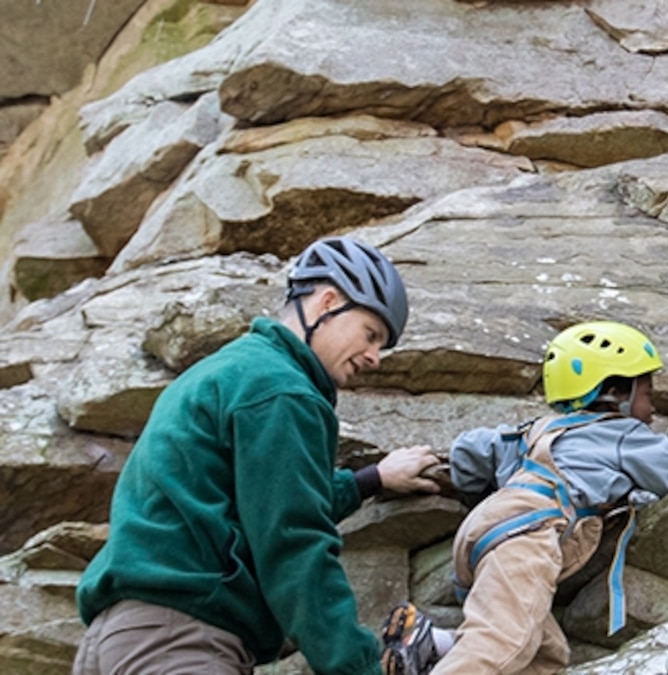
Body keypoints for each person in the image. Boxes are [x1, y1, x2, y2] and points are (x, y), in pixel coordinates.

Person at [73, 236, 443, 675]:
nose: (374, 357)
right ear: (328, 303)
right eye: (371, 334)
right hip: (181, 644)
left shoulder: (230, 370)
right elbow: (294, 542)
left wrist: (371, 480)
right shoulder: (282, 392)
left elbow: (264, 498)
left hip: (113, 641)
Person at [383, 320, 668, 675]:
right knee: (506, 645)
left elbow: (469, 450)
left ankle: (434, 645)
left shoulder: (536, 430)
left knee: (545, 656)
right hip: (527, 536)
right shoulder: (623, 433)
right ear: (617, 392)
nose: (653, 411)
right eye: (648, 394)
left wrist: (471, 491)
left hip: (482, 533)